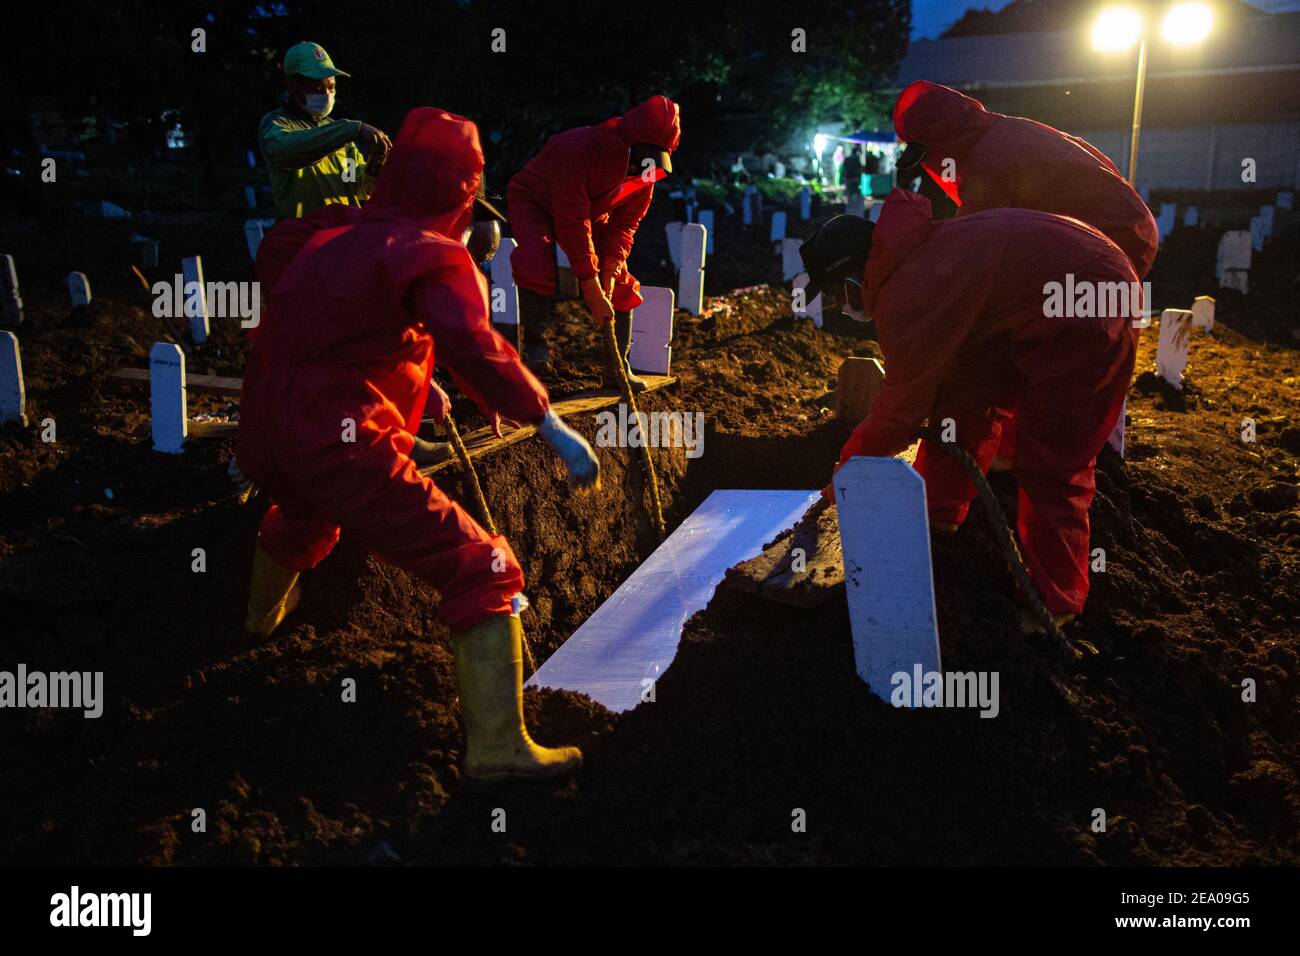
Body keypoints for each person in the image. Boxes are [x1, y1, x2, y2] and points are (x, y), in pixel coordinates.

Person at [238, 107, 599, 780]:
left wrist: (412, 380)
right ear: (465, 191)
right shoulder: (432, 253)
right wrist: (547, 421)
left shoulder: (336, 233)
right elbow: (475, 346)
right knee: (482, 567)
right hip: (335, 444)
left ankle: (256, 629)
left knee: (302, 518)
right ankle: (499, 749)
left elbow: (330, 317)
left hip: (263, 434)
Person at [801, 191, 1140, 632]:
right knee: (964, 394)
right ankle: (938, 513)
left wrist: (846, 474)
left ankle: (1054, 605)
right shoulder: (914, 254)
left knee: (1052, 456)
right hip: (1067, 282)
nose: (841, 309)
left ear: (851, 279)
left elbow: (900, 409)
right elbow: (946, 390)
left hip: (1087, 301)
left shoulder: (908, 289)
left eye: (835, 297)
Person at [892, 80, 1158, 482]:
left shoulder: (988, 162)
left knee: (998, 351)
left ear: (936, 145)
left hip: (1102, 250)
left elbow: (978, 257)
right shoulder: (1004, 132)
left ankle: (1019, 463)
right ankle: (1032, 454)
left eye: (927, 157)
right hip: (1119, 238)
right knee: (1041, 346)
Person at [506, 95, 681, 388]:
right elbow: (572, 220)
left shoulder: (648, 170)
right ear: (628, 143)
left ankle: (617, 366)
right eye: (640, 157)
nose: (642, 169)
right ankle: (535, 346)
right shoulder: (577, 149)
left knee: (624, 284)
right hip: (536, 201)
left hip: (591, 208)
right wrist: (592, 287)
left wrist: (612, 266)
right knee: (535, 262)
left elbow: (626, 223)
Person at [258, 41, 393, 220]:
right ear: (291, 85)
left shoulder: (341, 137)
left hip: (343, 237)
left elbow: (356, 186)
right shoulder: (277, 124)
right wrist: (351, 129)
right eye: (318, 87)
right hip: (305, 238)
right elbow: (287, 150)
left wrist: (376, 161)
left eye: (331, 87)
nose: (327, 94)